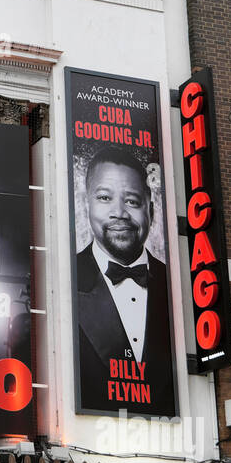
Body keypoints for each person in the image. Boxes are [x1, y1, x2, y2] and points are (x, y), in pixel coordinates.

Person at [75, 144, 174, 413]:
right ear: (86, 205)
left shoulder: (175, 286)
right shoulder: (65, 280)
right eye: (105, 198)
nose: (119, 212)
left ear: (150, 210)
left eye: (132, 201)